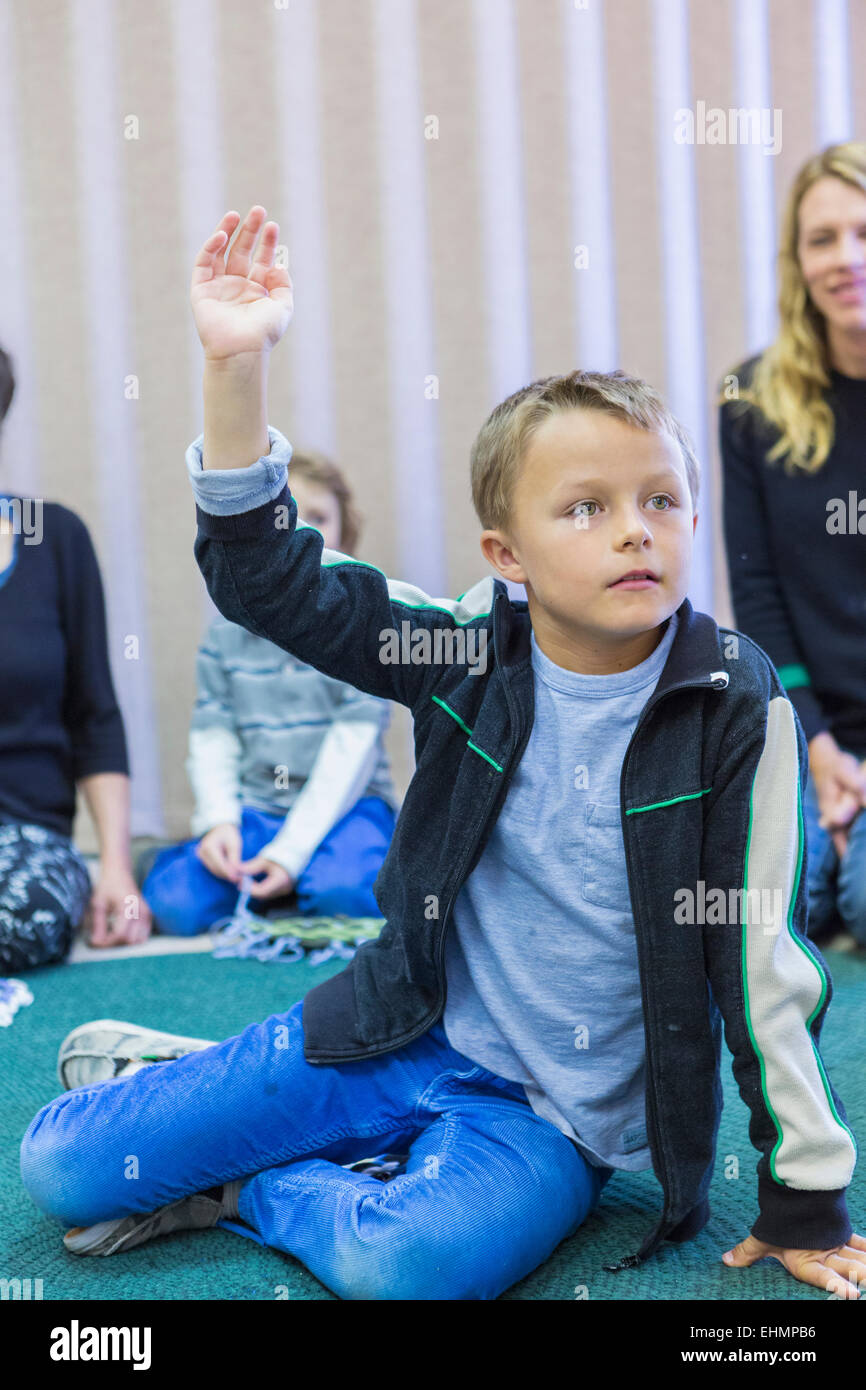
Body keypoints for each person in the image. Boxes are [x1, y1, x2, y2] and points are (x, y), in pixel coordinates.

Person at [20, 206, 864, 1302]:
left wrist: (804, 1195)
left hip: (547, 1119)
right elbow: (273, 583)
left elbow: (763, 962)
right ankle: (207, 1090)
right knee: (63, 1164)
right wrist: (236, 370)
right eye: (586, 507)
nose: (633, 529)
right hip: (398, 1029)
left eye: (661, 500)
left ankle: (248, 1190)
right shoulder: (458, 644)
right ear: (504, 553)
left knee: (404, 1266)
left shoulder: (732, 703)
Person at [140, 448, 399, 936]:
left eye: (319, 517)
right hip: (258, 810)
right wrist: (219, 822)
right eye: (288, 517)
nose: (304, 532)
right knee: (174, 905)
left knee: (345, 894)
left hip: (349, 809)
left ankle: (294, 879)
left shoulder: (364, 626)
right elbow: (214, 739)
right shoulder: (225, 638)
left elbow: (352, 753)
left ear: (348, 532)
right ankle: (213, 867)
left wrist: (291, 852)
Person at [720, 141, 866, 948]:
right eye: (823, 239)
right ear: (797, 260)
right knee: (781, 908)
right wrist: (814, 746)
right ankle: (833, 831)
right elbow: (759, 596)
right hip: (808, 727)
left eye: (864, 233)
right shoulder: (751, 405)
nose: (846, 259)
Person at [0, 346, 150, 971]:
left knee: (22, 920)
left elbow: (96, 717)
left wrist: (114, 868)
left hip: (28, 838)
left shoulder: (53, 535)